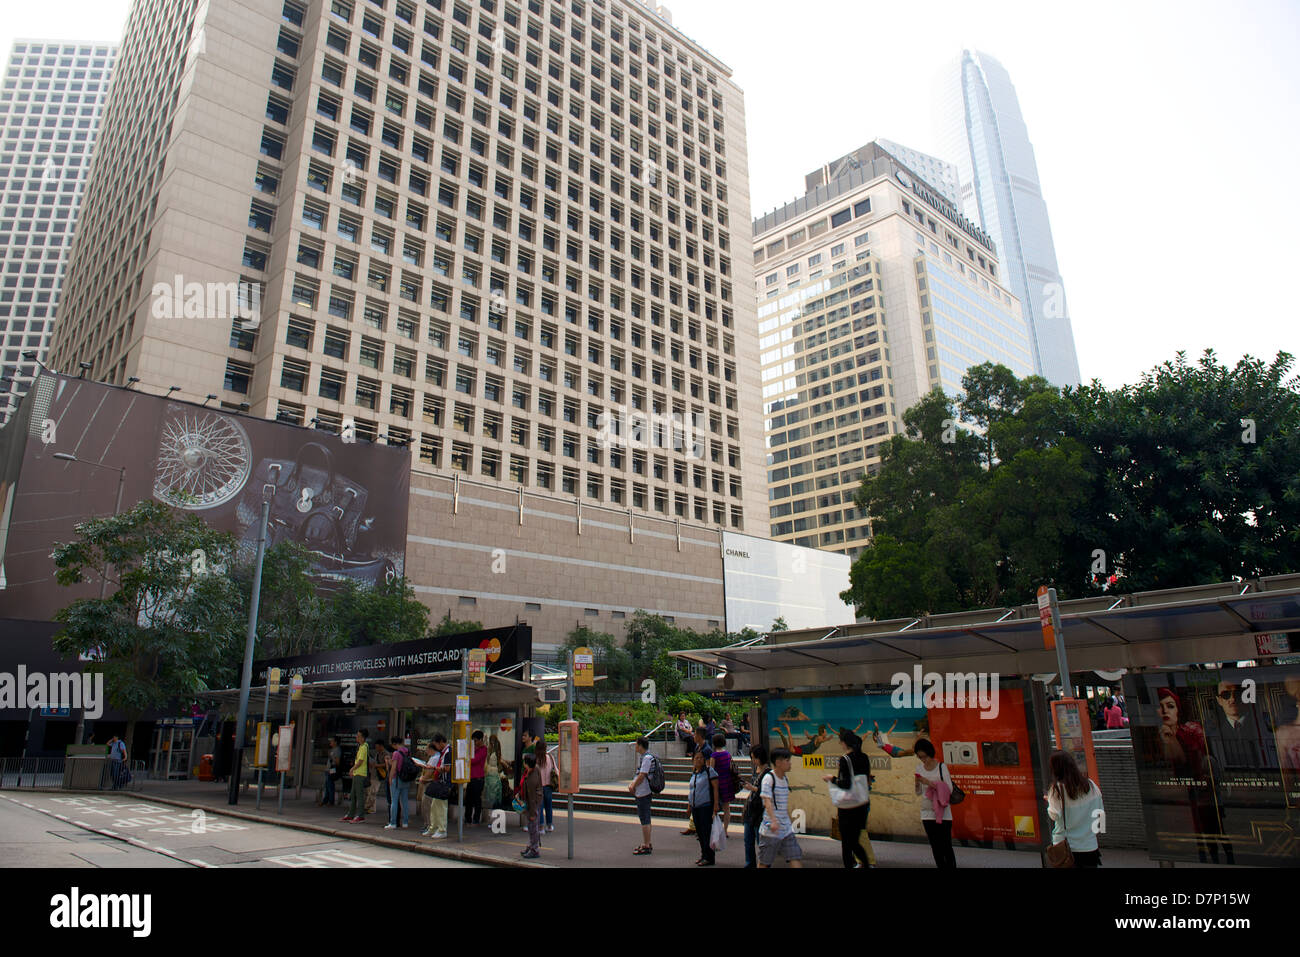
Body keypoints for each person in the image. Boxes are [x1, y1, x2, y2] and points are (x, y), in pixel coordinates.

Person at [1044, 750, 1104, 867]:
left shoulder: (1057, 790)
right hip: (1089, 846)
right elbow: (1100, 814)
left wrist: (1049, 801)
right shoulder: (1090, 785)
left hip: (1066, 849)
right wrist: (1093, 833)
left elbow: (1054, 815)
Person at [823, 730, 871, 868]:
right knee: (855, 840)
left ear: (844, 743)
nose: (840, 744)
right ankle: (866, 864)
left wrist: (831, 778)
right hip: (862, 803)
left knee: (847, 843)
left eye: (840, 741)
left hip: (847, 807)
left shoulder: (845, 759)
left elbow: (844, 784)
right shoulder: (864, 757)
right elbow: (866, 779)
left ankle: (852, 865)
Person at [913, 738, 956, 868]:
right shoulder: (919, 768)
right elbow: (919, 793)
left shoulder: (941, 767)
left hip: (943, 812)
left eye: (924, 756)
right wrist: (917, 783)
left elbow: (949, 789)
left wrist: (930, 783)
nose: (923, 760)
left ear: (930, 753)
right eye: (920, 757)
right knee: (935, 846)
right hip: (927, 812)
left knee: (946, 845)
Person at [758, 747, 801, 868]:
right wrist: (773, 820)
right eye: (787, 760)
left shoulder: (785, 778)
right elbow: (767, 800)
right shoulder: (769, 779)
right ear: (778, 762)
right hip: (770, 830)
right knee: (764, 863)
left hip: (786, 829)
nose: (790, 763)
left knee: (794, 856)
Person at [687, 747, 720, 866]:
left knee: (706, 833)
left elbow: (715, 788)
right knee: (700, 833)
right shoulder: (694, 773)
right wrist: (689, 806)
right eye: (696, 758)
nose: (699, 760)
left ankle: (709, 857)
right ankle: (703, 855)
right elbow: (692, 790)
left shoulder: (709, 771)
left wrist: (716, 805)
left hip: (706, 806)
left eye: (701, 758)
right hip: (695, 807)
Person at [741, 745, 771, 868]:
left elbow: (766, 792)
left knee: (761, 842)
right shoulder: (756, 770)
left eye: (755, 758)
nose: (753, 761)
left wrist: (752, 788)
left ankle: (763, 864)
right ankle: (750, 864)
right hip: (751, 810)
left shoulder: (768, 773)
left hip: (760, 812)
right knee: (748, 841)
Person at [681, 728, 714, 835]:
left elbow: (709, 766)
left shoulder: (707, 749)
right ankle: (693, 826)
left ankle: (702, 830)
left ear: (700, 736)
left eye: (695, 734)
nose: (693, 736)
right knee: (694, 799)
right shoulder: (697, 747)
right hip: (696, 777)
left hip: (703, 780)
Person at [628, 736, 656, 855]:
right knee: (645, 817)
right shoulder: (646, 757)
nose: (635, 747)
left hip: (644, 791)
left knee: (644, 818)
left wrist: (633, 785)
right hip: (643, 791)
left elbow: (642, 775)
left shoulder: (647, 759)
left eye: (636, 744)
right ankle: (647, 843)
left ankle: (646, 844)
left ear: (640, 745)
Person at [420, 733, 450, 839]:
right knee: (434, 806)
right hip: (439, 781)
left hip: (444, 782)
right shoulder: (443, 752)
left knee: (441, 807)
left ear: (441, 742)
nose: (436, 747)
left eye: (436, 744)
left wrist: (435, 768)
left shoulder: (447, 752)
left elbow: (447, 769)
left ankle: (442, 829)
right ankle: (434, 827)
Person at [711, 733, 736, 834]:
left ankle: (715, 830)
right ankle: (725, 830)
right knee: (727, 808)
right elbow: (730, 768)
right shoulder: (727, 754)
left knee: (715, 807)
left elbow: (711, 770)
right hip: (727, 782)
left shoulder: (714, 755)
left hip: (717, 784)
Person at [343, 729, 369, 823]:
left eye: (358, 736)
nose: (356, 737)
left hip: (360, 773)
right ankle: (351, 814)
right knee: (353, 794)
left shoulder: (363, 747)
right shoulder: (361, 746)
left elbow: (360, 761)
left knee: (359, 795)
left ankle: (360, 815)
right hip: (357, 773)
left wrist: (352, 769)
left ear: (362, 737)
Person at [385, 736, 411, 829]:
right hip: (406, 779)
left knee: (394, 801)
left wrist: (390, 778)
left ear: (395, 744)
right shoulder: (407, 751)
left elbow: (394, 767)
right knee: (405, 802)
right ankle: (405, 822)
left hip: (397, 779)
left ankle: (393, 823)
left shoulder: (396, 753)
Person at [521, 753, 542, 858]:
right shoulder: (534, 770)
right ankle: (531, 846)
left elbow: (532, 798)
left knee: (533, 827)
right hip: (533, 802)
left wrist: (533, 812)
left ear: (527, 764)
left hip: (532, 804)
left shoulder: (531, 780)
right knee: (532, 826)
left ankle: (534, 849)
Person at [466, 730, 487, 826]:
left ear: (480, 740)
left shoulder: (483, 749)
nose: (474, 743)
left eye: (476, 740)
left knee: (476, 800)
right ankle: (468, 819)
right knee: (468, 799)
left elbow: (474, 760)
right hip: (471, 777)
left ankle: (476, 819)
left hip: (478, 778)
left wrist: (467, 757)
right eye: (473, 741)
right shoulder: (472, 748)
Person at [536, 739, 557, 832]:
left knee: (540, 806)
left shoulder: (536, 759)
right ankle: (549, 825)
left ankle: (541, 826)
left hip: (539, 786)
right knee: (549, 806)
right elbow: (556, 770)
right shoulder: (550, 757)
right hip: (548, 785)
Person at [483, 734, 505, 816]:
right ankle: (495, 815)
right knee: (496, 796)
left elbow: (487, 760)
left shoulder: (490, 752)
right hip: (495, 775)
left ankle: (491, 815)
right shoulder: (497, 752)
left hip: (490, 775)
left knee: (490, 796)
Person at [366, 739, 388, 815]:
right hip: (373, 774)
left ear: (381, 746)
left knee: (373, 792)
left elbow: (387, 764)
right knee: (370, 791)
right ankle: (372, 808)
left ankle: (367, 806)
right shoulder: (377, 754)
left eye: (377, 747)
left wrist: (376, 765)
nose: (376, 748)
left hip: (379, 775)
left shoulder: (386, 754)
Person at [322, 736, 342, 807]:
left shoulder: (337, 750)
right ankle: (326, 800)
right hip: (329, 769)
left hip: (332, 769)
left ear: (335, 742)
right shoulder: (332, 749)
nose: (330, 742)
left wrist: (332, 757)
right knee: (327, 785)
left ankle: (331, 800)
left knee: (330, 785)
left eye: (332, 741)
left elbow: (337, 762)